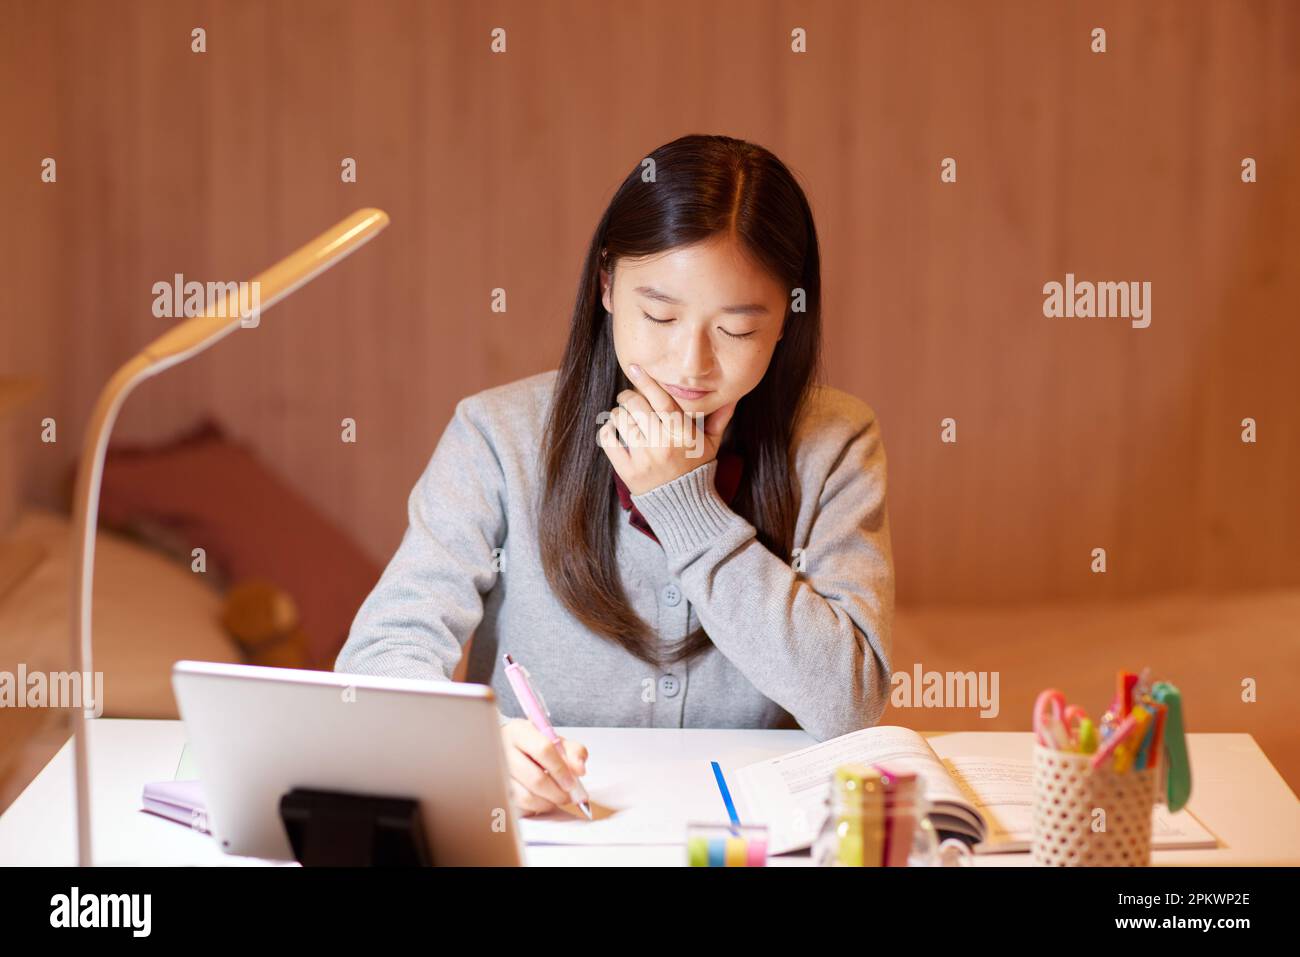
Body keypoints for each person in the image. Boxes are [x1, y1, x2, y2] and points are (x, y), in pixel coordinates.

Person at [336, 133, 895, 817]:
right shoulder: (496, 435)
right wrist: (472, 746)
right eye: (659, 314)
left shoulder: (835, 442)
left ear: (788, 319)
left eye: (738, 331)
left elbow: (851, 703)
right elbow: (380, 656)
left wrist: (688, 506)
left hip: (748, 836)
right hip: (551, 834)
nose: (691, 365)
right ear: (606, 284)